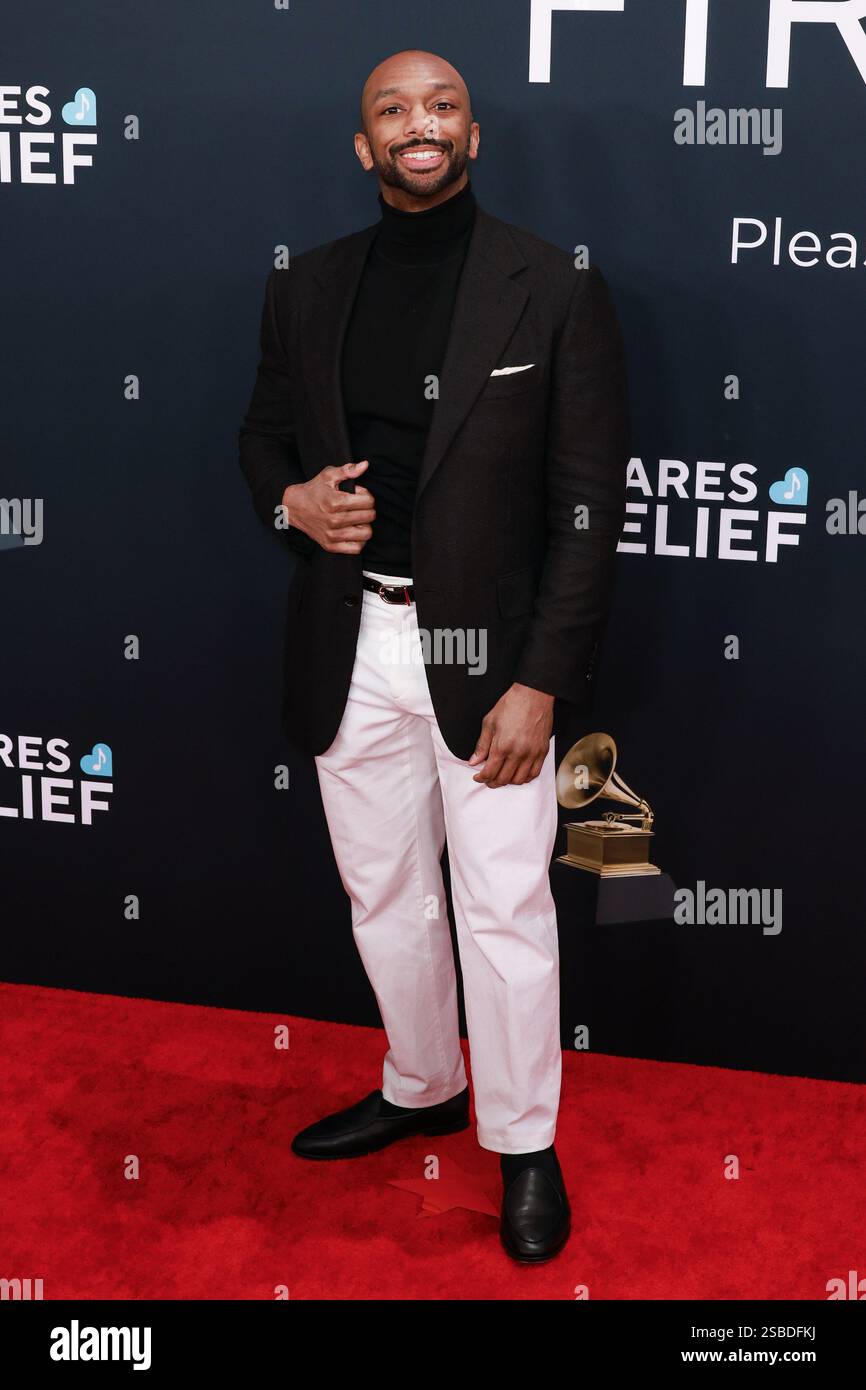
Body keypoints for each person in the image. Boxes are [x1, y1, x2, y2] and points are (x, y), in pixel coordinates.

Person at [238, 48, 630, 1263]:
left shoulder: (550, 287)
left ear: (473, 135)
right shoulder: (305, 285)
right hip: (346, 633)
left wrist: (539, 680)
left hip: (491, 656)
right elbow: (259, 438)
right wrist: (289, 504)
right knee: (384, 896)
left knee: (503, 907)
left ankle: (520, 1141)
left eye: (442, 105)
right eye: (393, 110)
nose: (421, 124)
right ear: (365, 147)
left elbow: (583, 504)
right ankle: (419, 1084)